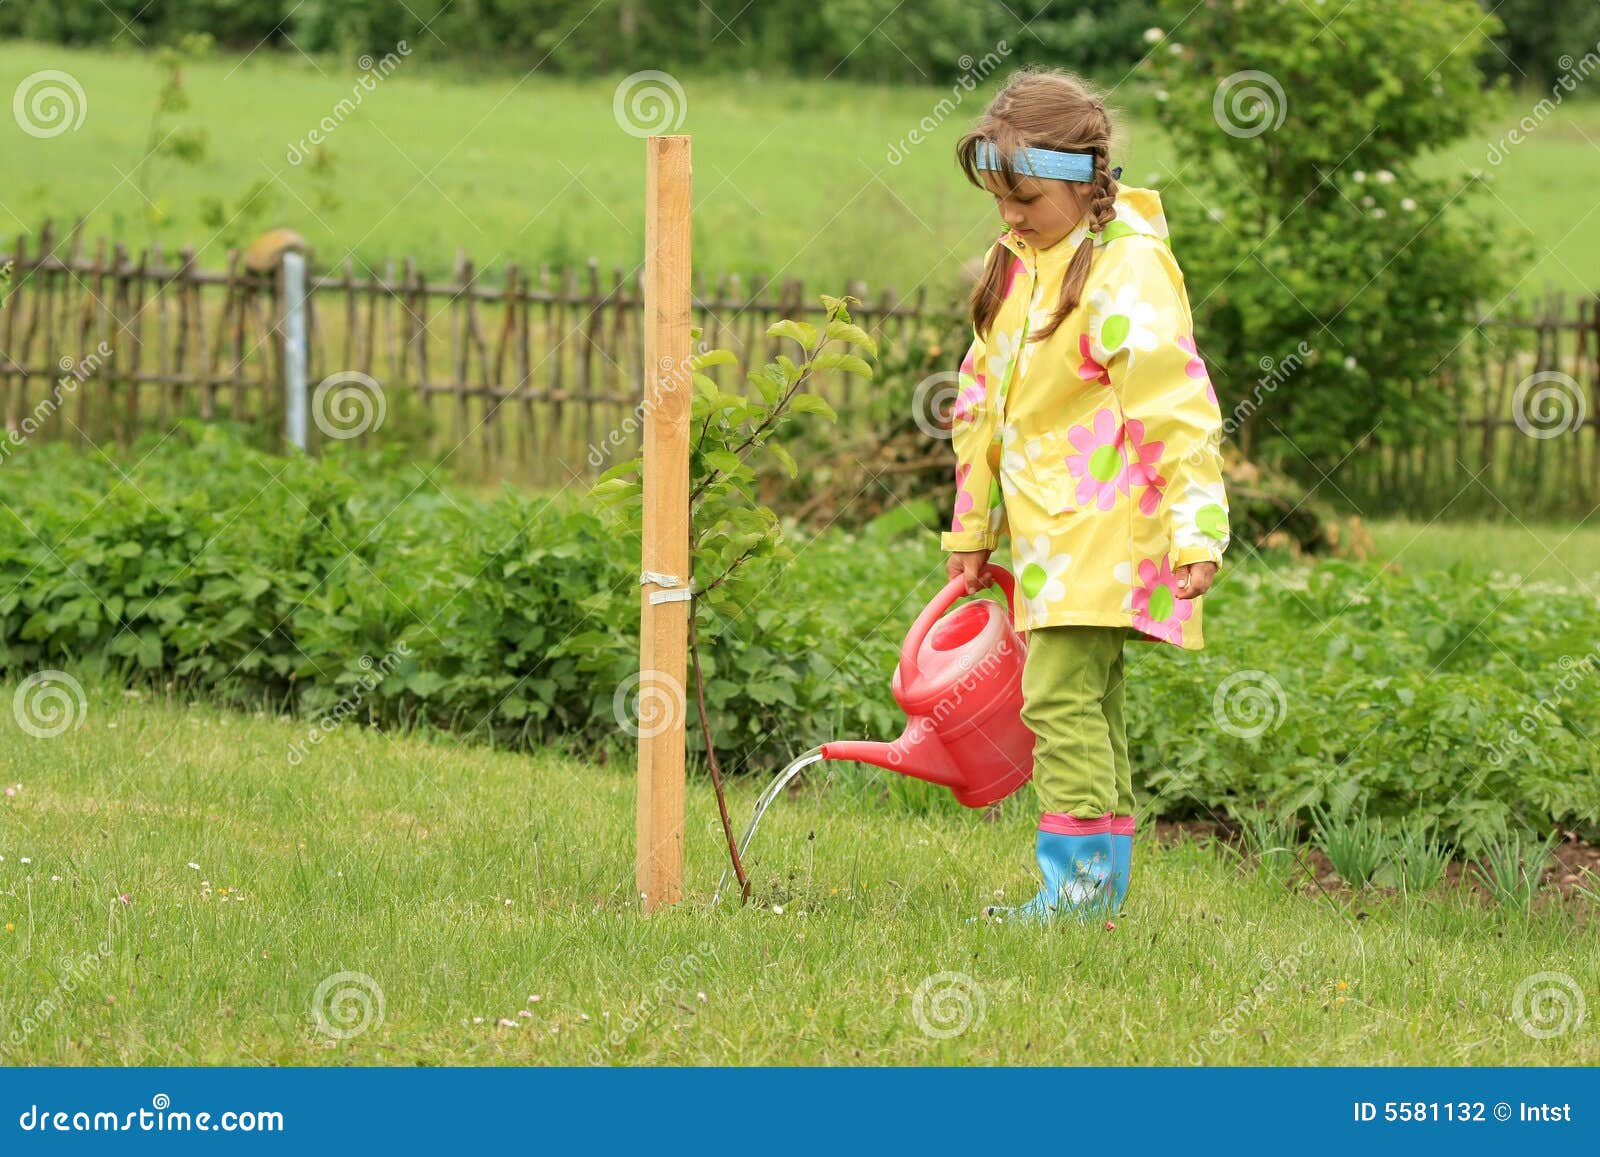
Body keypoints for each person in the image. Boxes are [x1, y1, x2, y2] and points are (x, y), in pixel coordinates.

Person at [939, 68, 1231, 923]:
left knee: (1058, 696)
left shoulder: (1123, 270)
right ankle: (1096, 891)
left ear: (1082, 179)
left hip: (1107, 528)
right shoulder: (1019, 264)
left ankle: (1075, 890)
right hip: (1048, 535)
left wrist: (1197, 529)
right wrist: (973, 524)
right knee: (1089, 702)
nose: (1010, 214)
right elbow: (979, 401)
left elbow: (1175, 405)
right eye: (998, 196)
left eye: (1024, 196)